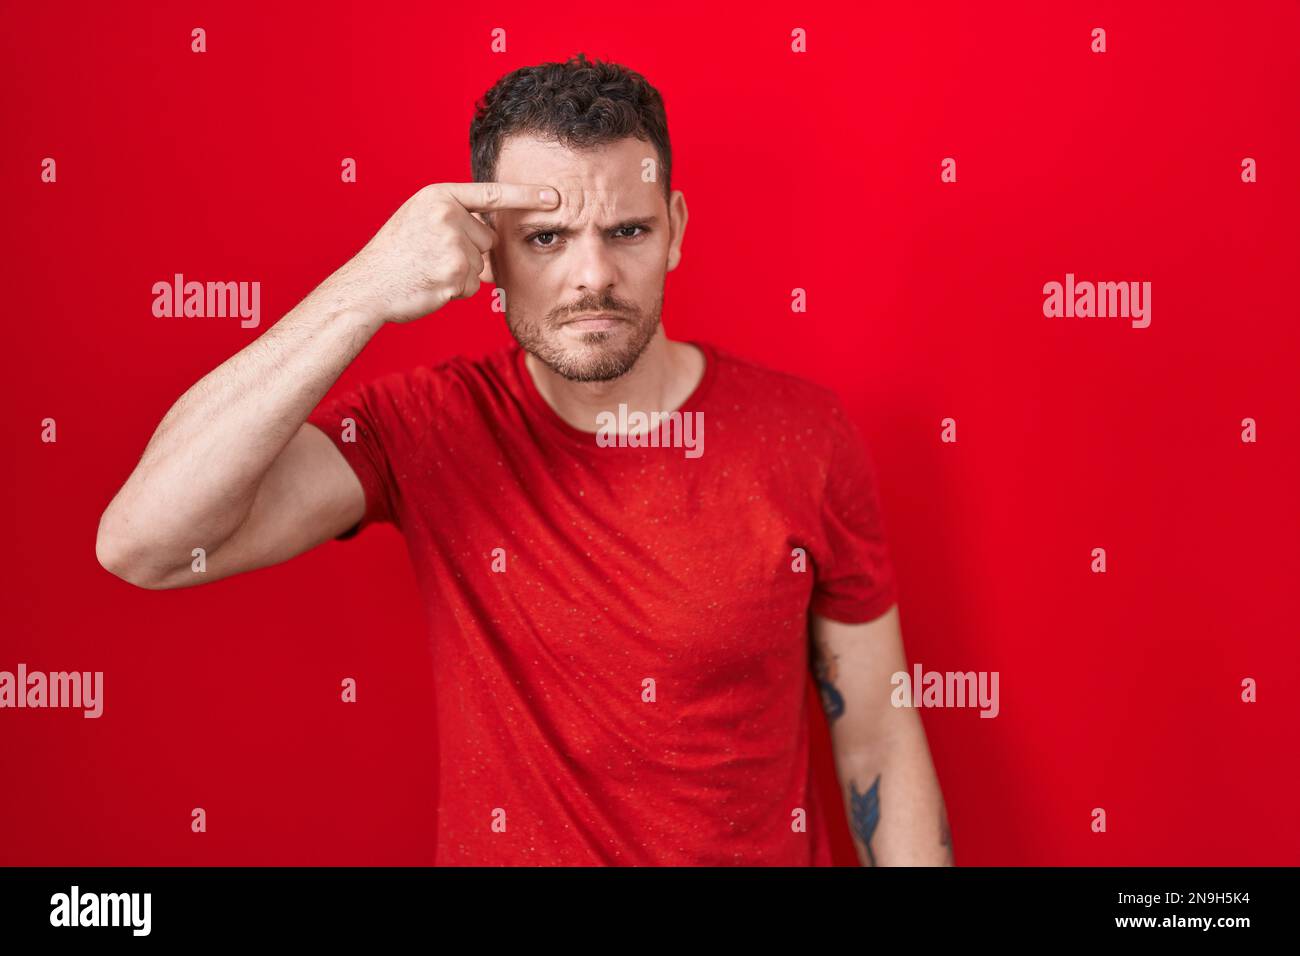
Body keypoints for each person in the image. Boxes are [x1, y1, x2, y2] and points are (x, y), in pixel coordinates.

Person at [96, 52, 952, 866]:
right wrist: (361, 289)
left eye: (627, 230)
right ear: (487, 249)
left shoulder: (802, 433)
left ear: (676, 230)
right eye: (546, 239)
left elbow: (875, 726)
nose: (593, 276)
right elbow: (146, 544)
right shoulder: (427, 429)